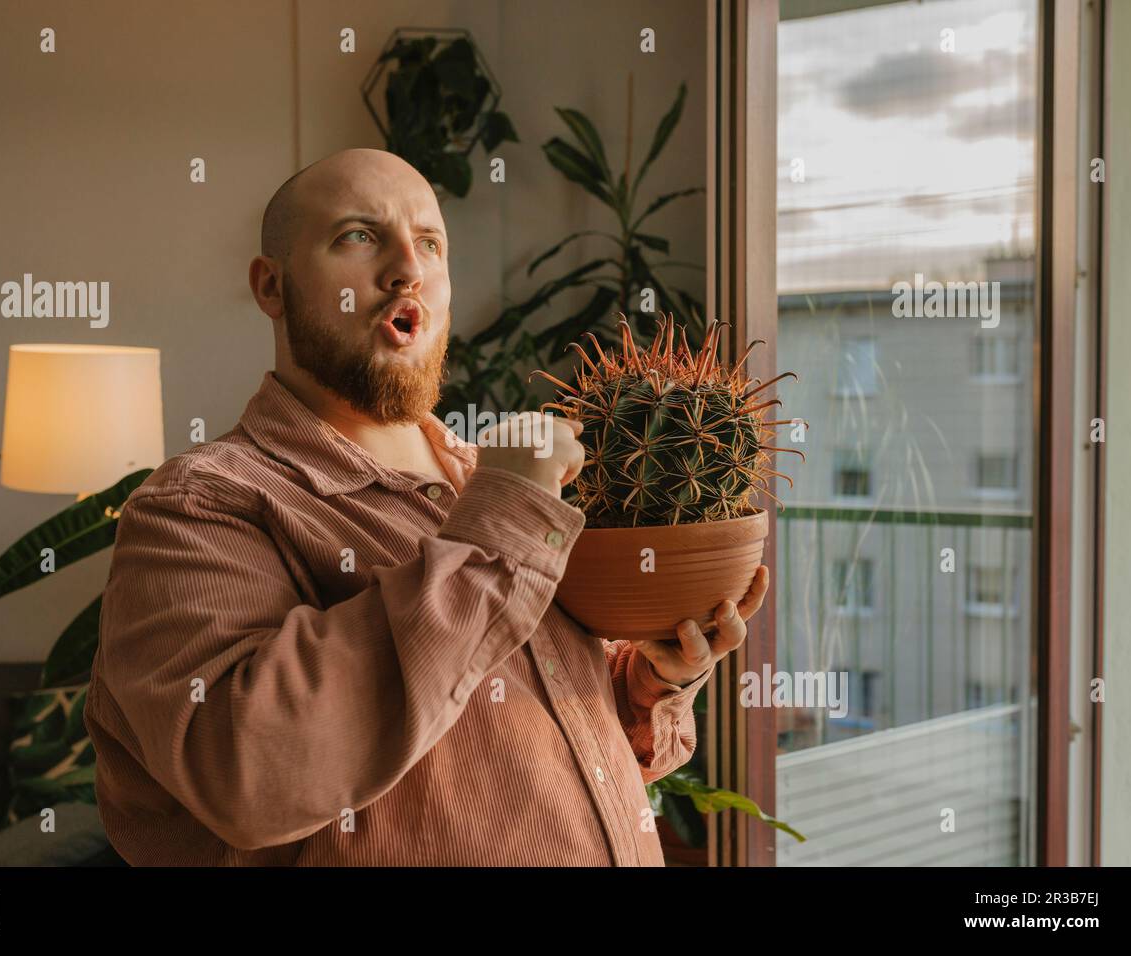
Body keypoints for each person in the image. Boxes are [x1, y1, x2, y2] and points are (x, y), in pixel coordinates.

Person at [83, 147, 768, 866]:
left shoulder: (497, 486)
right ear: (271, 286)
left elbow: (566, 751)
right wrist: (504, 520)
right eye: (358, 236)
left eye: (430, 244)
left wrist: (649, 681)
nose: (407, 267)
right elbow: (250, 775)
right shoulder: (200, 507)